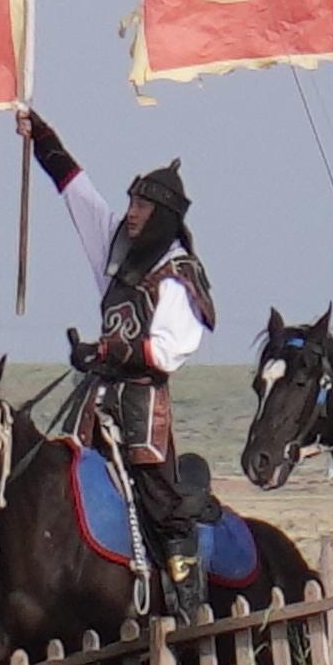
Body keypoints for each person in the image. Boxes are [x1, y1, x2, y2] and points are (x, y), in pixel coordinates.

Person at [72, 155, 223, 601]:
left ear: (163, 215)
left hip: (142, 405)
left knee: (160, 500)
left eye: (141, 206)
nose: (131, 213)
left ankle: (186, 592)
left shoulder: (178, 273)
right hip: (98, 398)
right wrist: (42, 137)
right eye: (131, 203)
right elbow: (80, 197)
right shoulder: (118, 254)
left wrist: (108, 350)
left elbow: (167, 351)